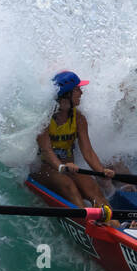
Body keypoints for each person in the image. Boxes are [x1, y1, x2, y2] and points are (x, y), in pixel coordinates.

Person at [32, 70, 114, 208]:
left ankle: (113, 223)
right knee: (68, 186)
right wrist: (61, 167)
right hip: (45, 168)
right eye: (78, 89)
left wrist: (101, 170)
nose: (81, 93)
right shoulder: (44, 118)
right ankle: (86, 222)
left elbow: (87, 151)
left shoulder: (79, 118)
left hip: (69, 168)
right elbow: (46, 150)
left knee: (92, 187)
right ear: (66, 94)